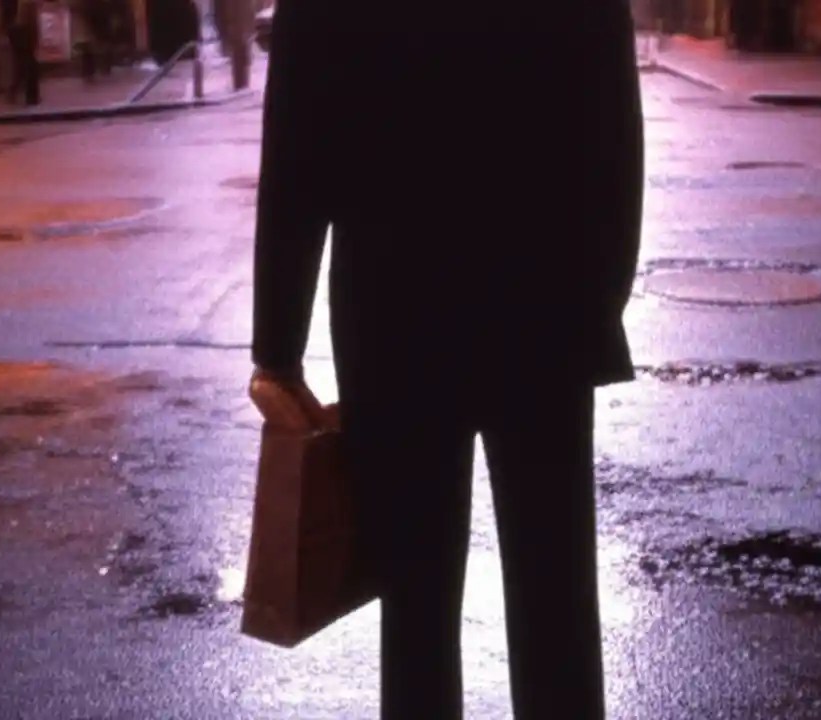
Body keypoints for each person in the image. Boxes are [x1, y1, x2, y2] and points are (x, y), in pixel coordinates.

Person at [250, 0, 643, 717]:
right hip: (543, 305)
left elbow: (299, 146)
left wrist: (278, 345)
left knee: (416, 604)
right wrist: (599, 302)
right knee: (555, 591)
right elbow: (613, 125)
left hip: (394, 308)